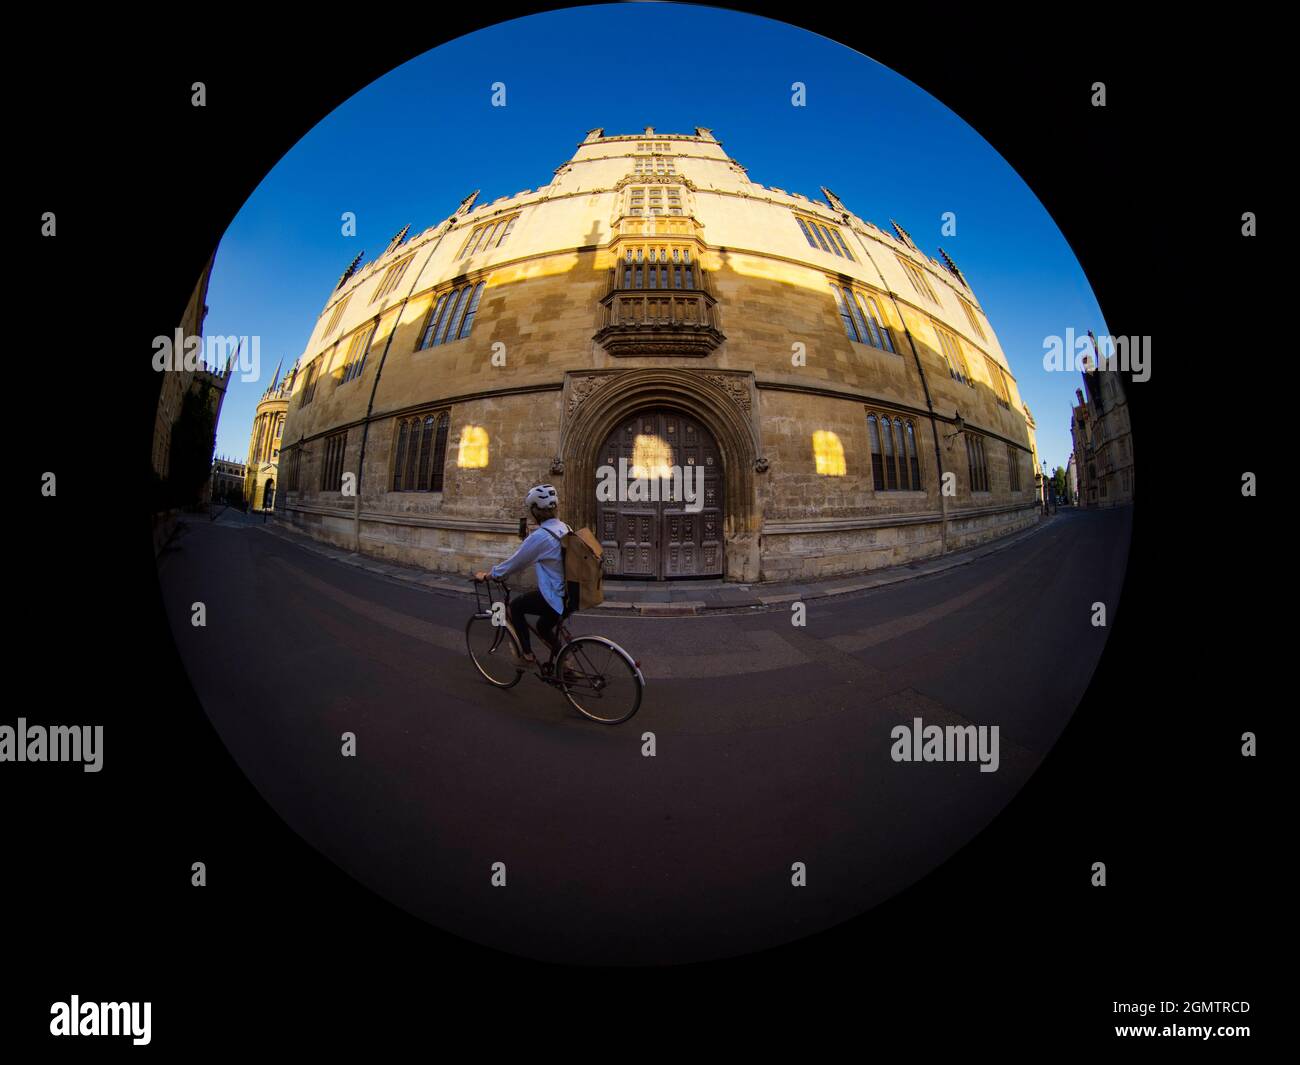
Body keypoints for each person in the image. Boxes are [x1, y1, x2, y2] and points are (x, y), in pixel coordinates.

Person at [474, 484, 571, 665]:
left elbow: (514, 563)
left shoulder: (541, 536)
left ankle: (526, 655)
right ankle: (565, 662)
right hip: (571, 596)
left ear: (534, 511)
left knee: (516, 607)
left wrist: (490, 575)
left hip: (555, 596)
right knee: (543, 627)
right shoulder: (565, 528)